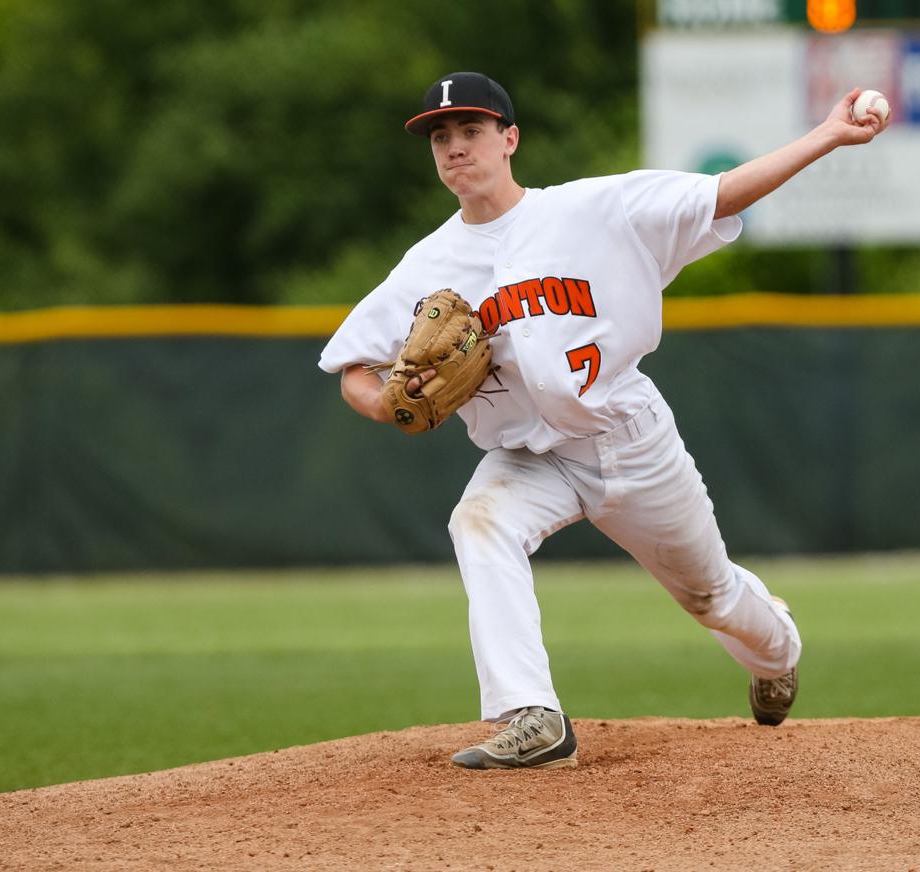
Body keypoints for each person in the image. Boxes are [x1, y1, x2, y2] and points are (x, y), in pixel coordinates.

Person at [319, 72, 888, 770]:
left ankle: (778, 654)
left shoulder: (596, 209)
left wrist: (829, 135)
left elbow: (721, 193)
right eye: (441, 137)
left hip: (630, 437)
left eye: (470, 131)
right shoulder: (426, 267)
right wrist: (380, 401)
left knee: (710, 595)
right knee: (479, 522)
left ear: (510, 139)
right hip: (530, 458)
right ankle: (531, 715)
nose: (454, 148)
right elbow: (352, 366)